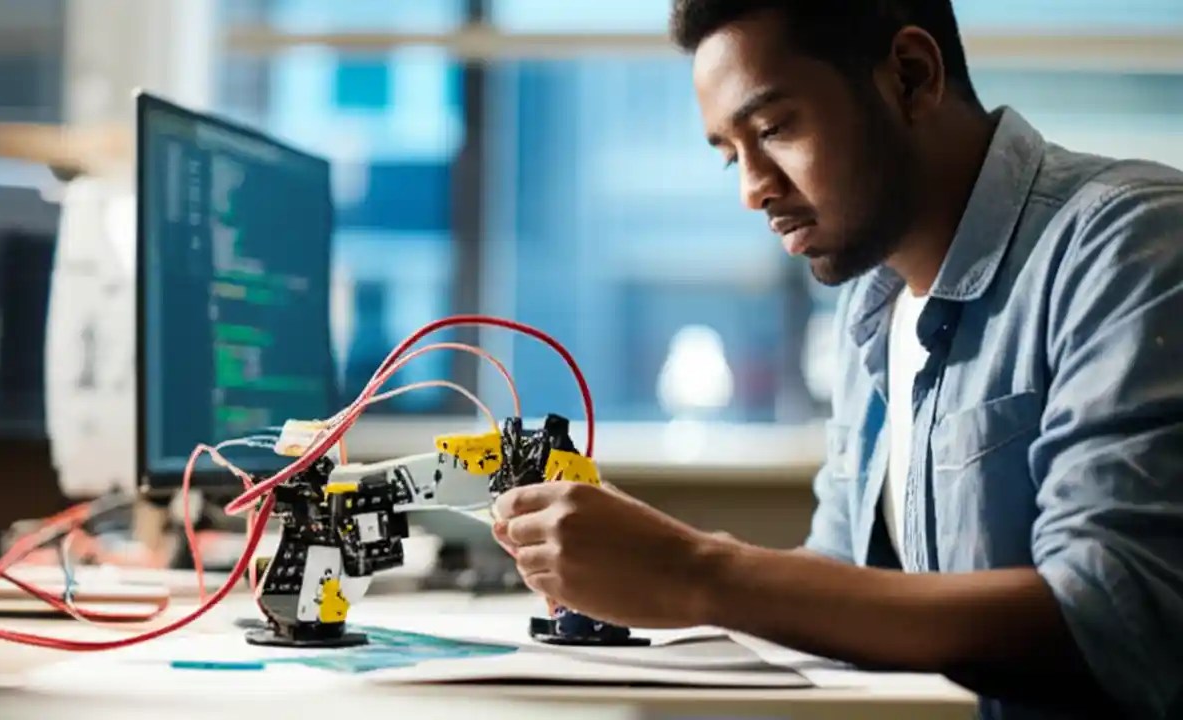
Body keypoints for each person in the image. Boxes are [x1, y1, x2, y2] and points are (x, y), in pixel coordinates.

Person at [490, 2, 1183, 719]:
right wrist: (647, 561)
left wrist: (696, 571)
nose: (752, 188)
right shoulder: (873, 306)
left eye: (774, 129)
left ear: (912, 78)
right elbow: (845, 583)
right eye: (733, 154)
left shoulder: (1130, 247)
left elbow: (1113, 616)